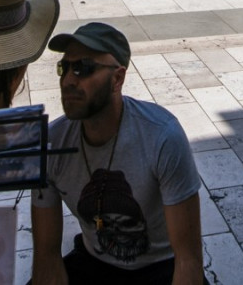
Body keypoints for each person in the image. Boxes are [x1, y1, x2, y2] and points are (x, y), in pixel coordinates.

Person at [31, 23, 203, 285]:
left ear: (117, 79)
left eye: (83, 68)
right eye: (63, 68)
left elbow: (188, 261)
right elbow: (46, 259)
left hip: (161, 268)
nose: (68, 80)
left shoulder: (162, 137)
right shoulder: (53, 144)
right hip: (93, 262)